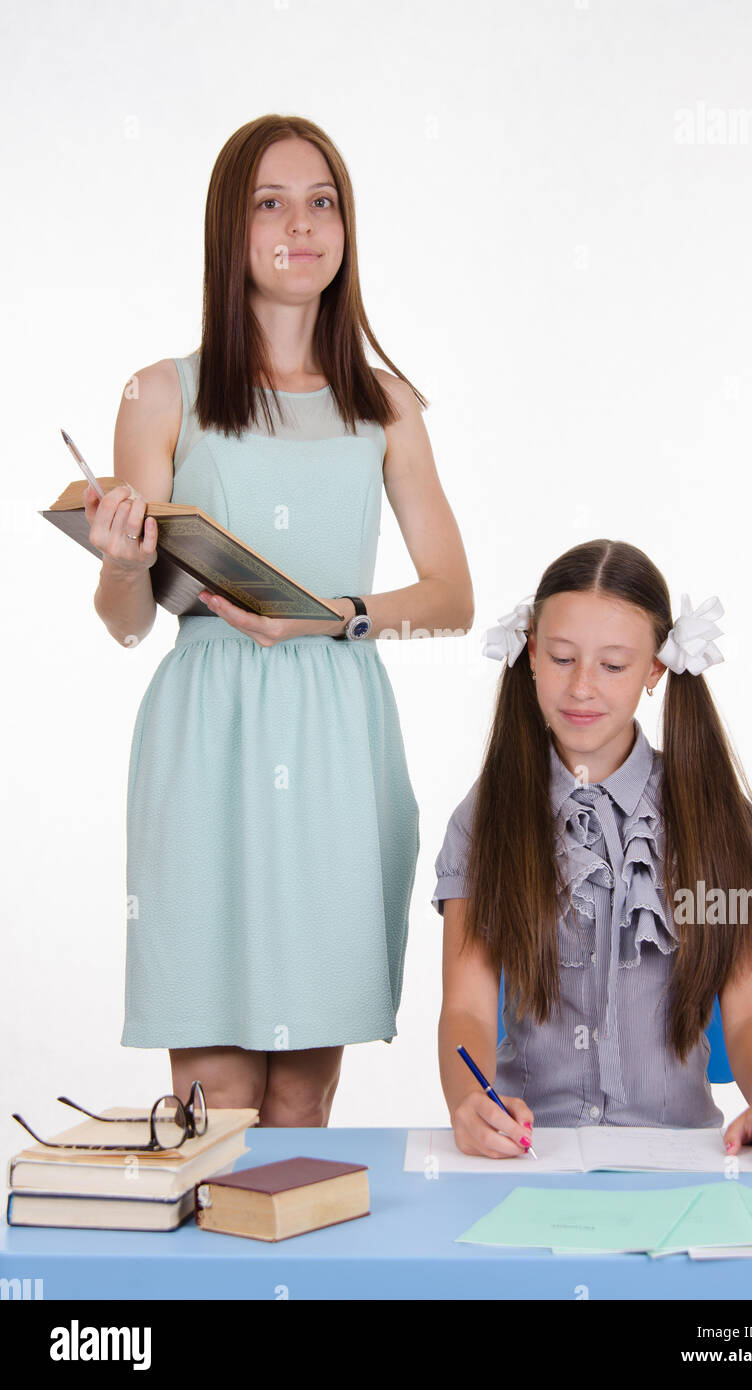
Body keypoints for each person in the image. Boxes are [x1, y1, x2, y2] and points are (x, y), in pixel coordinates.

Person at [85, 114, 473, 1126]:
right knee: (211, 1096)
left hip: (335, 729)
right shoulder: (161, 393)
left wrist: (334, 619)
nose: (298, 225)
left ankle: (289, 1288)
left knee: (303, 1095)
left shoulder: (384, 404)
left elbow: (449, 597)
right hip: (206, 731)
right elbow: (127, 622)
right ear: (229, 227)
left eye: (321, 201)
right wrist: (124, 563)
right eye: (269, 203)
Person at [432, 539, 752, 1168]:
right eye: (561, 657)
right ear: (530, 652)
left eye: (613, 666)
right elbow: (466, 1007)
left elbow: (750, 1012)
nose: (582, 687)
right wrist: (470, 1099)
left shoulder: (718, 822)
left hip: (684, 1157)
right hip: (531, 1155)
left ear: (655, 671)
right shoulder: (483, 820)